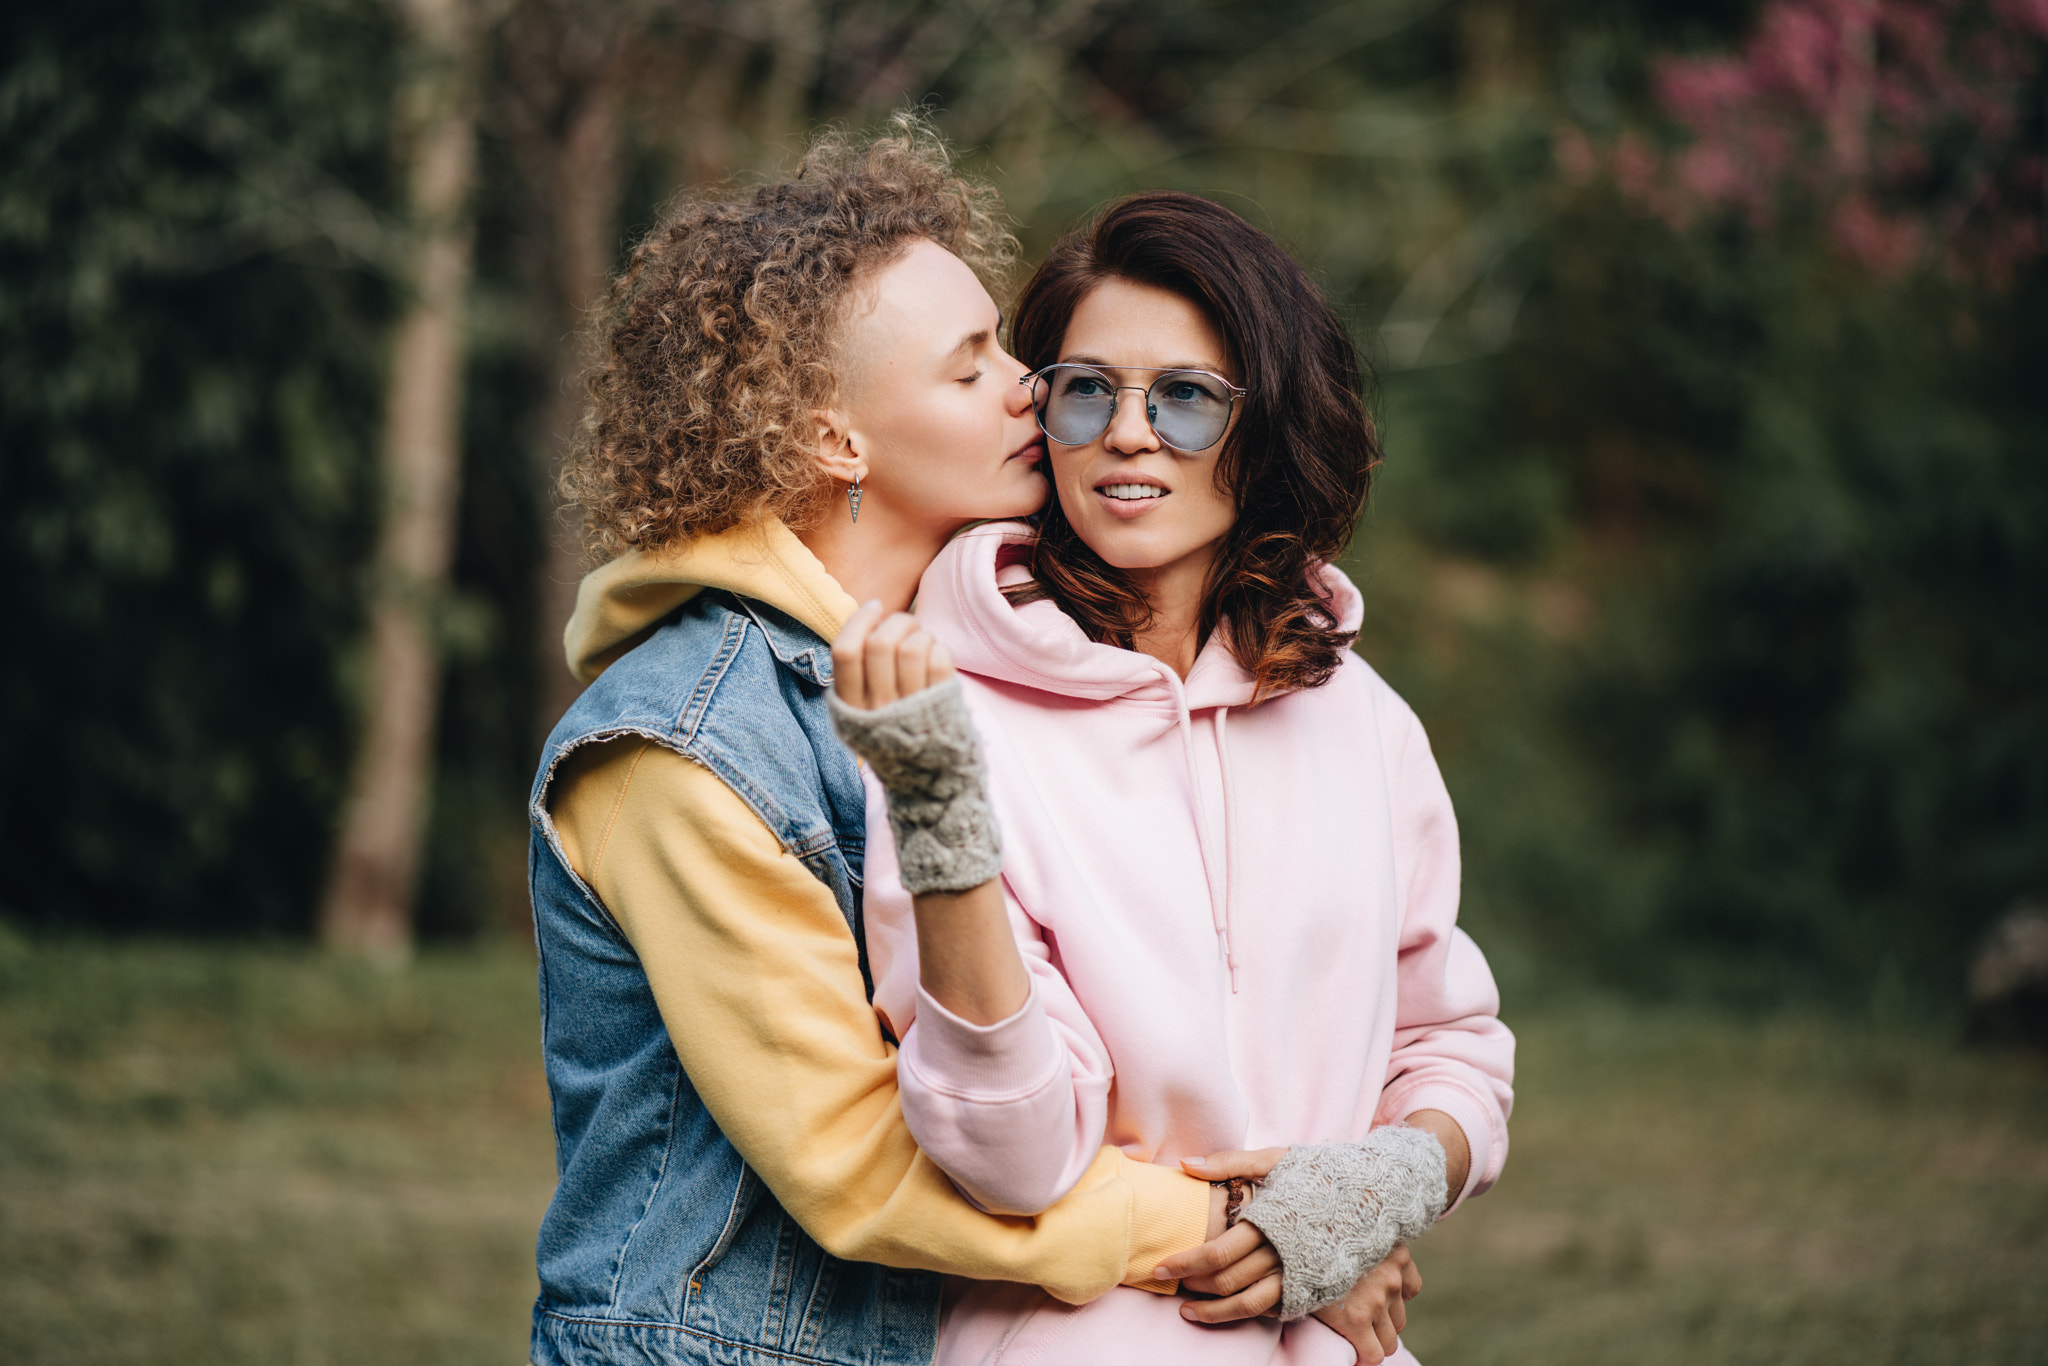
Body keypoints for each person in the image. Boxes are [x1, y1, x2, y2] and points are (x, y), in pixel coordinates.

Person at [528, 126, 1325, 1366]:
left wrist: (1336, 1219)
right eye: (969, 371)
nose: (1030, 385)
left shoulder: (983, 668)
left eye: (1005, 345)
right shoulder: (682, 749)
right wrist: (1242, 1227)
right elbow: (854, 1162)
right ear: (835, 439)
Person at [830, 191, 1516, 1365]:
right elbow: (1013, 1152)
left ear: (1268, 428)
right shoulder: (950, 725)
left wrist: (1391, 1179)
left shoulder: (1364, 722)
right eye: (1085, 388)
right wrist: (943, 818)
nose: (1128, 433)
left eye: (1186, 398)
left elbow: (1449, 1042)